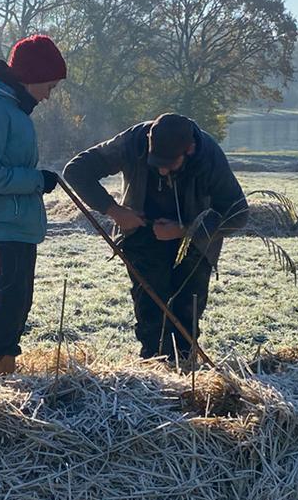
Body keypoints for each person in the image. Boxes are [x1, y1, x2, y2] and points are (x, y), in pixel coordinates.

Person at [64, 113, 246, 364]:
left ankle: (184, 367)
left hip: (195, 243)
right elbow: (76, 170)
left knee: (187, 311)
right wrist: (115, 211)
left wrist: (185, 230)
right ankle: (153, 367)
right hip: (142, 236)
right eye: (155, 161)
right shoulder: (132, 143)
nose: (161, 169)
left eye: (169, 163)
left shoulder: (209, 156)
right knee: (151, 309)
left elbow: (237, 212)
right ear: (149, 141)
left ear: (190, 150)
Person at [0, 33, 67, 373]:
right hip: (0, 221)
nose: (49, 96)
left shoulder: (13, 108)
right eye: (48, 86)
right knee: (10, 303)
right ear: (31, 77)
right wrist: (37, 180)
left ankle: (4, 370)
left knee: (20, 303)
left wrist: (38, 179)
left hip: (18, 222)